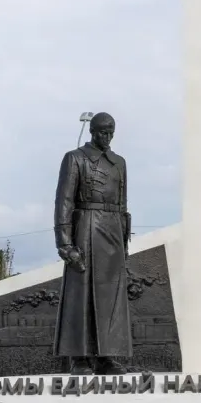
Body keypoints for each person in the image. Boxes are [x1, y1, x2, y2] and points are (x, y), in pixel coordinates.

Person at [52, 112, 132, 375]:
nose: (106, 137)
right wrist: (65, 244)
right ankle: (80, 358)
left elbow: (123, 205)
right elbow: (64, 201)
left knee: (112, 299)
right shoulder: (74, 158)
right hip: (84, 228)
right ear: (92, 131)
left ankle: (106, 357)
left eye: (110, 132)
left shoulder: (119, 163)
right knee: (81, 295)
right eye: (101, 132)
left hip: (112, 233)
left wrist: (124, 241)